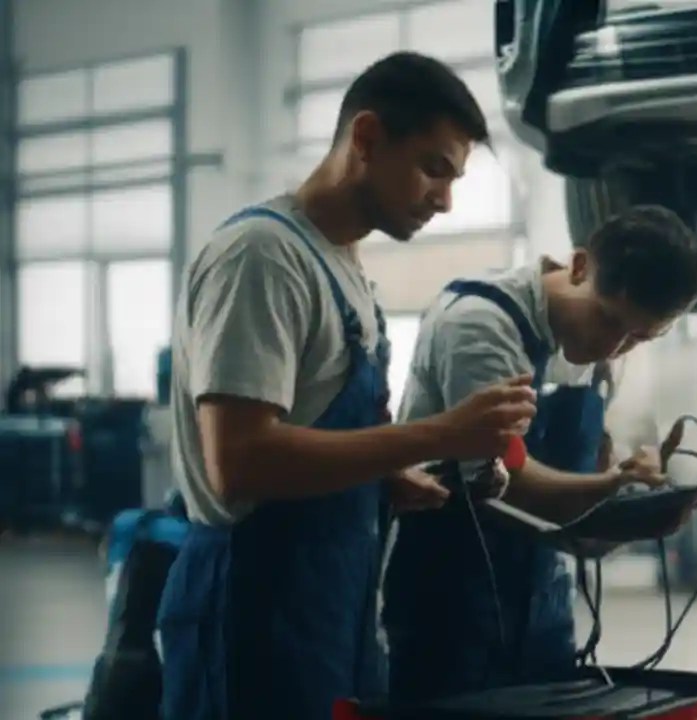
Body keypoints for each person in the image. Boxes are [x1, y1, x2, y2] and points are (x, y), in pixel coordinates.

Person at [157, 52, 537, 720]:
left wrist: (382, 479)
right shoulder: (264, 257)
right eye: (433, 168)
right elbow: (239, 463)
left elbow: (306, 425)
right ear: (365, 139)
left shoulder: (348, 270)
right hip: (252, 610)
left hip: (332, 612)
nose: (445, 201)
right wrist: (443, 433)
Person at [382, 205, 697, 703]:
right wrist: (613, 494)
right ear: (579, 267)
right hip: (449, 602)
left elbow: (588, 468)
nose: (614, 345)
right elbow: (507, 481)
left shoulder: (607, 359)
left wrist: (626, 481)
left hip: (546, 603)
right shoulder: (482, 325)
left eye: (641, 337)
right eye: (607, 319)